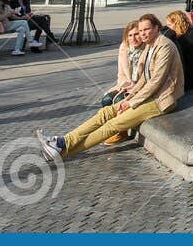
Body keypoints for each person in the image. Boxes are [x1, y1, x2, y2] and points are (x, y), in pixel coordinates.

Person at [41, 15, 185, 162]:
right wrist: (129, 97)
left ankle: (61, 152)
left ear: (157, 28)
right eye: (141, 30)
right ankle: (62, 142)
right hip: (147, 96)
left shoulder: (164, 46)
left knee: (114, 124)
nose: (143, 33)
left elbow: (156, 81)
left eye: (146, 29)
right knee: (106, 112)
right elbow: (143, 78)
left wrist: (130, 103)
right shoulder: (150, 45)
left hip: (160, 100)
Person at [163, 11, 193, 91]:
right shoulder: (185, 34)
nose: (168, 28)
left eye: (169, 25)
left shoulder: (191, 34)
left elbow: (182, 53)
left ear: (176, 23)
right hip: (190, 75)